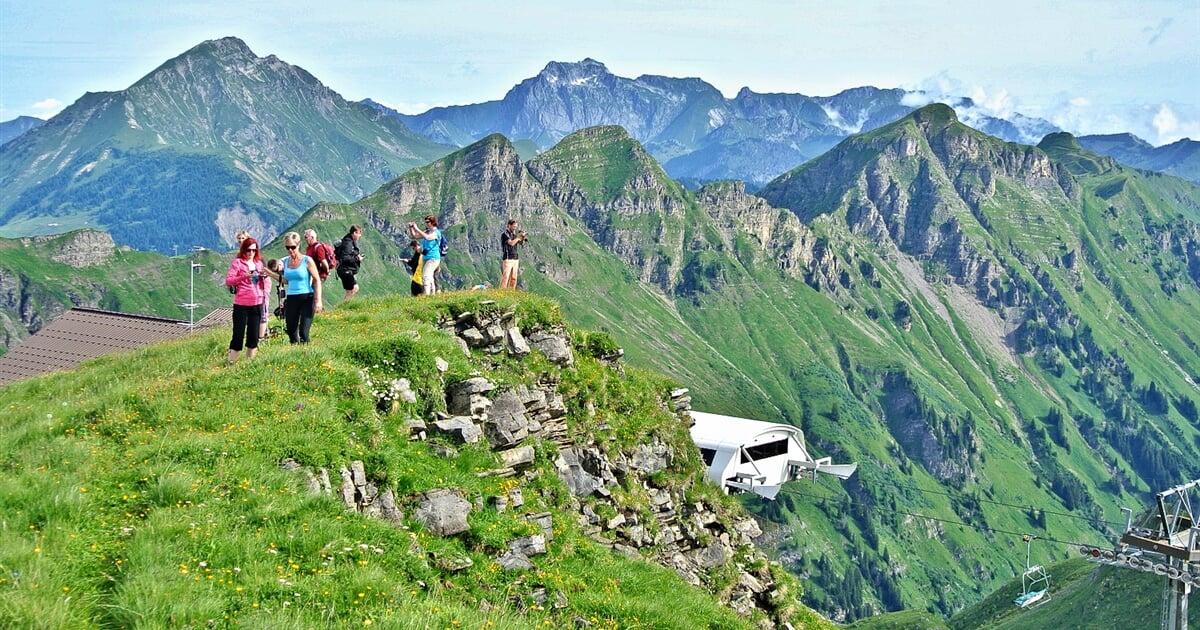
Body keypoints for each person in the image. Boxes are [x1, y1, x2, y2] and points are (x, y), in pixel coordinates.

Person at [224, 237, 266, 364]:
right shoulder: (238, 262)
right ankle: (232, 362)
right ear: (244, 250)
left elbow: (262, 281)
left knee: (253, 335)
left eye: (254, 250)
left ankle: (249, 363)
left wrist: (263, 277)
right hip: (241, 303)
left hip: (257, 302)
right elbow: (229, 281)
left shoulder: (259, 263)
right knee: (238, 334)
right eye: (248, 250)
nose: (251, 253)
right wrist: (244, 276)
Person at [281, 231, 323, 343]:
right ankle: (295, 355)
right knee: (291, 331)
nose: (290, 250)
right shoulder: (284, 261)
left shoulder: (307, 260)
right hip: (291, 298)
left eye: (293, 247)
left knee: (303, 332)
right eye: (287, 247)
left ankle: (307, 355)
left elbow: (317, 279)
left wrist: (318, 301)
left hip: (307, 297)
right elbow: (286, 280)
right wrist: (272, 274)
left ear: (299, 245)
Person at [406, 215, 442, 295]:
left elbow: (427, 238)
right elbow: (414, 236)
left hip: (433, 258)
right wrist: (411, 228)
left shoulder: (436, 233)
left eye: (428, 222)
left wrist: (416, 228)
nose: (426, 223)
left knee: (426, 275)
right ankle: (433, 293)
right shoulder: (427, 231)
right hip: (426, 257)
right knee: (429, 276)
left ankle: (427, 294)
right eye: (425, 222)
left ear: (433, 222)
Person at [335, 225, 364, 300]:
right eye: (359, 233)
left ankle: (343, 308)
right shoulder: (348, 243)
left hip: (343, 269)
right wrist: (357, 258)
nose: (360, 236)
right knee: (355, 288)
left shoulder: (347, 240)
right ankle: (342, 307)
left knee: (348, 291)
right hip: (345, 270)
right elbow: (345, 257)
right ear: (354, 233)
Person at [499, 218, 527, 289]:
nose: (515, 228)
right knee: (506, 276)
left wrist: (522, 237)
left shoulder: (514, 235)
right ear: (509, 225)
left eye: (516, 227)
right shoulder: (505, 234)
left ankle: (511, 291)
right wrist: (518, 237)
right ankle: (502, 291)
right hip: (508, 258)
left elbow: (520, 243)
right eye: (514, 226)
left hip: (515, 258)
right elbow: (511, 243)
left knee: (514, 277)